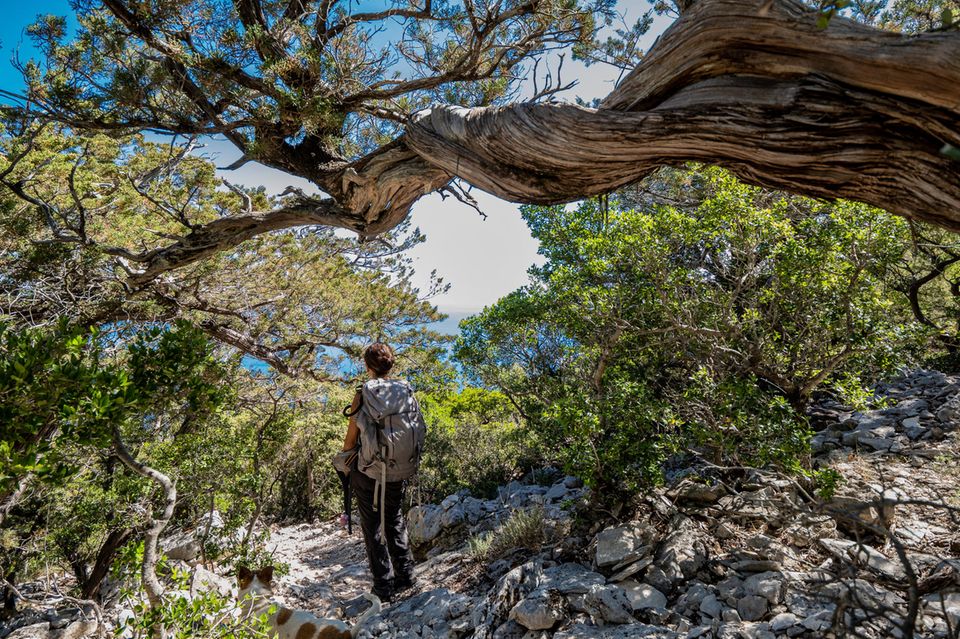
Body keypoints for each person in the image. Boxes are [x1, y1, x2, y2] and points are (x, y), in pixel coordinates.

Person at [342, 342, 420, 602]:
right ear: (391, 365)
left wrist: (345, 462)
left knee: (372, 525)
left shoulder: (363, 393)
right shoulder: (405, 389)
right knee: (394, 517)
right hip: (399, 466)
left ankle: (383, 587)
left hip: (369, 471)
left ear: (367, 367)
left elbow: (350, 440)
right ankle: (406, 576)